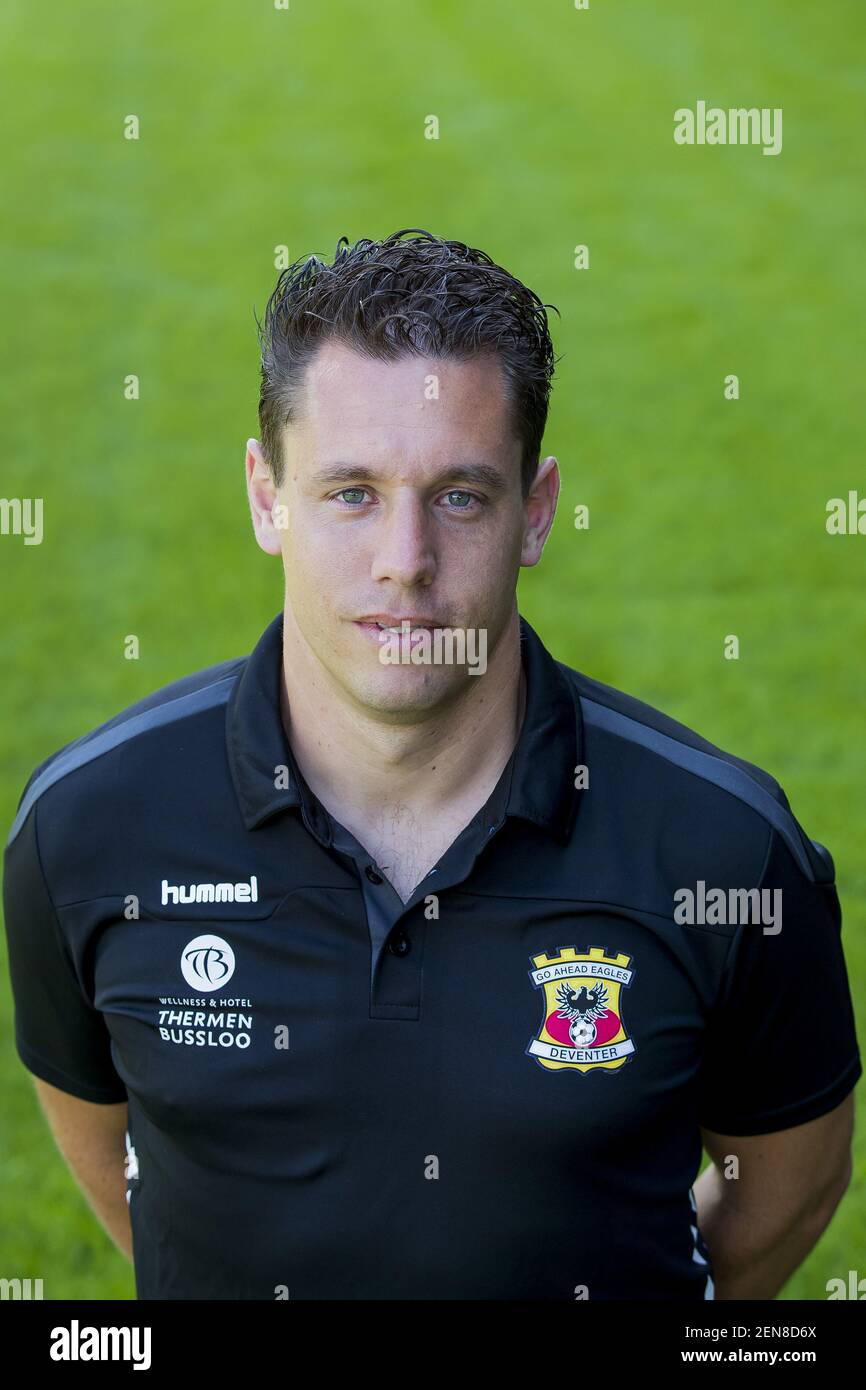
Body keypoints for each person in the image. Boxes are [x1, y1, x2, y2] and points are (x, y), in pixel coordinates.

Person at [3, 229, 860, 1300]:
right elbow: (117, 1155)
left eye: (458, 496)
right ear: (266, 496)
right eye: (350, 492)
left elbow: (787, 1180)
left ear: (534, 511)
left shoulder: (725, 849)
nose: (403, 561)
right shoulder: (86, 830)